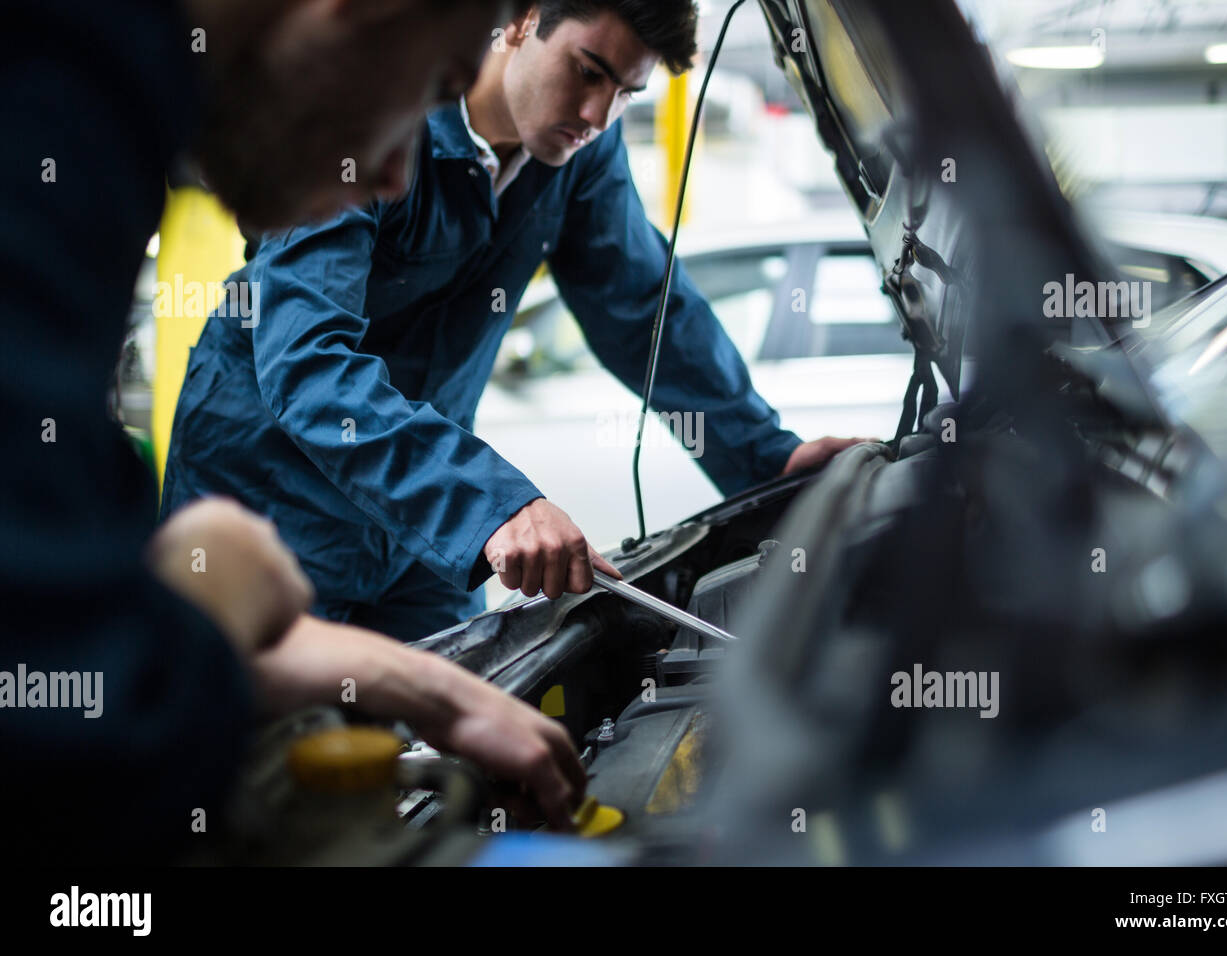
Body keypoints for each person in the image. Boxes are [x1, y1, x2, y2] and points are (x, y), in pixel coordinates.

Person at [1, 0, 586, 863]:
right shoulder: (57, 89)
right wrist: (216, 584)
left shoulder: (116, 96)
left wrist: (439, 693)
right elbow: (74, 707)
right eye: (433, 85)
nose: (396, 180)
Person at [161, 0, 865, 642]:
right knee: (269, 756)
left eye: (626, 93)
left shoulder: (577, 155)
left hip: (414, 535)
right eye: (587, 71)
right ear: (524, 20)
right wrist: (492, 505)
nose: (597, 114)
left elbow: (643, 311)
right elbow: (308, 363)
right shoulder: (381, 111)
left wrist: (766, 457)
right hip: (266, 505)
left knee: (466, 742)